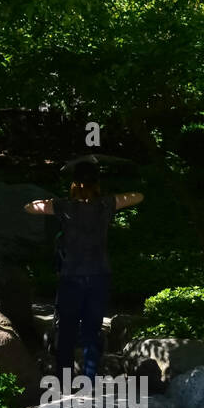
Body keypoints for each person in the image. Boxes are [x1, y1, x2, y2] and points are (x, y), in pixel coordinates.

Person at [24, 160, 142, 380]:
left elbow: (30, 207)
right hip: (99, 276)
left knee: (66, 331)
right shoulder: (105, 205)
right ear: (96, 184)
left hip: (71, 277)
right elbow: (138, 196)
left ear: (74, 185)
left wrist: (55, 203)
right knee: (92, 331)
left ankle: (63, 380)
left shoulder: (64, 207)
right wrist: (112, 198)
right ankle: (89, 380)